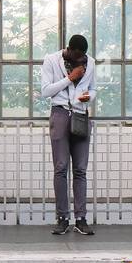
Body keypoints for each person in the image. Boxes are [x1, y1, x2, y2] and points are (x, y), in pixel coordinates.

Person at [40, 34, 95, 236]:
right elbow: (45, 91)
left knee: (80, 169)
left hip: (81, 114)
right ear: (69, 50)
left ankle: (81, 219)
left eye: (83, 56)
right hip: (60, 114)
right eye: (77, 55)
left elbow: (94, 89)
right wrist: (69, 79)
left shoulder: (91, 63)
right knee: (61, 167)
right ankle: (62, 218)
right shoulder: (51, 60)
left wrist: (89, 96)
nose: (80, 59)